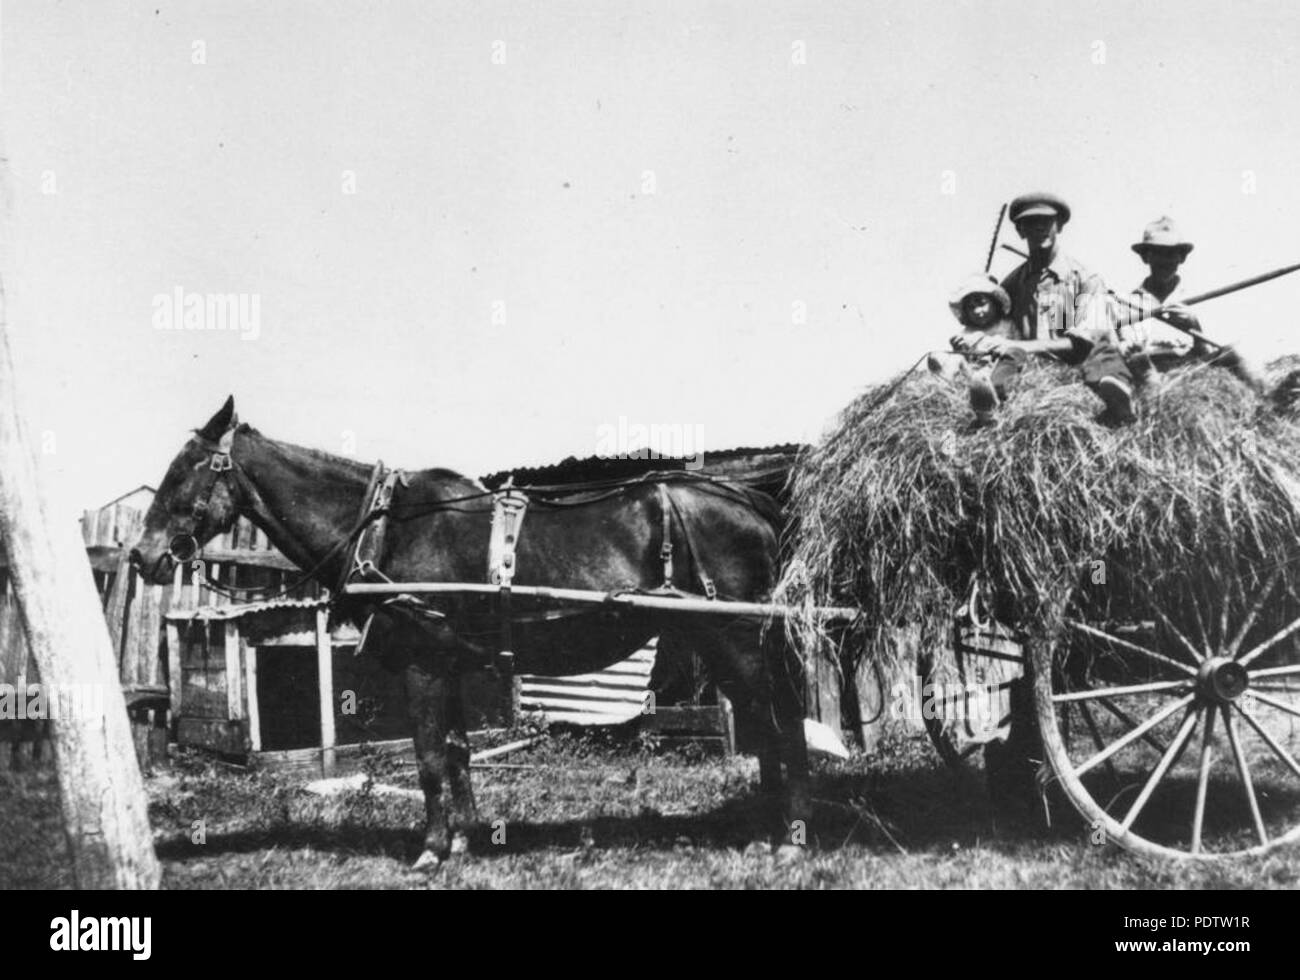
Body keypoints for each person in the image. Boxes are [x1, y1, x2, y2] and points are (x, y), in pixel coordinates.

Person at [954, 193, 1137, 422]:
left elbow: (1084, 341)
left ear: (1058, 226)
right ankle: (989, 404)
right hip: (1028, 364)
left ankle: (1117, 401)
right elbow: (988, 319)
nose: (1039, 228)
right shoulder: (1012, 284)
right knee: (1006, 362)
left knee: (1101, 349)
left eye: (1046, 221)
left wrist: (1018, 344)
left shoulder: (1085, 277)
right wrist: (972, 336)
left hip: (1078, 358)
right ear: (1020, 231)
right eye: (1030, 223)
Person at [1112, 216, 1265, 392]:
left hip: (1193, 367)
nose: (1165, 261)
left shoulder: (1201, 296)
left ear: (1181, 258)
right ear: (1146, 258)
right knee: (1138, 365)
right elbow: (1127, 348)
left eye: (1171, 254)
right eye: (1158, 253)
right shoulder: (1128, 303)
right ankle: (1153, 384)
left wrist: (1193, 326)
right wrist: (1131, 347)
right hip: (1151, 366)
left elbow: (1210, 351)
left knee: (1237, 355)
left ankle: (1270, 405)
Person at [927, 274, 1023, 423]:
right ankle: (943, 382)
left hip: (997, 370)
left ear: (995, 302)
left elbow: (1017, 347)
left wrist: (1002, 346)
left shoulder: (1007, 324)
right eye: (971, 308)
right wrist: (961, 349)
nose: (978, 311)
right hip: (973, 371)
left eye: (982, 304)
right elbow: (968, 360)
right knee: (953, 359)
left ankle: (987, 407)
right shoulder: (968, 333)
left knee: (992, 373)